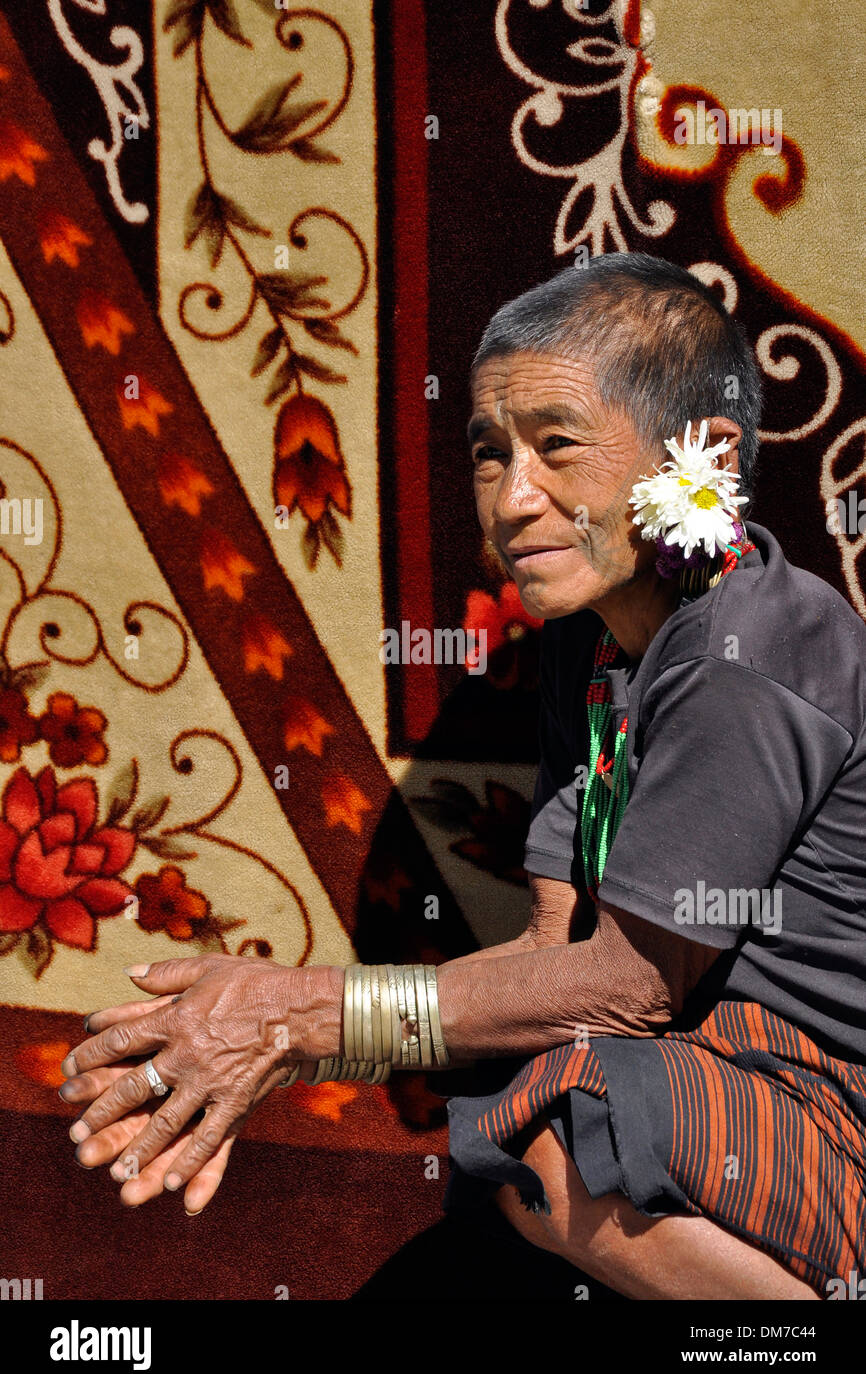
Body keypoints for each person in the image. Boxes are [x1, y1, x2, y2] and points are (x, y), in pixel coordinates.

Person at [59, 254, 866, 1301]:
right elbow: (552, 952)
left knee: (568, 1118)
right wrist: (280, 1046)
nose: (512, 498)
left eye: (556, 445)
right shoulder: (590, 650)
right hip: (705, 1091)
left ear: (701, 452)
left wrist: (301, 1012)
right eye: (489, 453)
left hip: (826, 1114)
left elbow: (627, 985)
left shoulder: (749, 646)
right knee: (514, 1099)